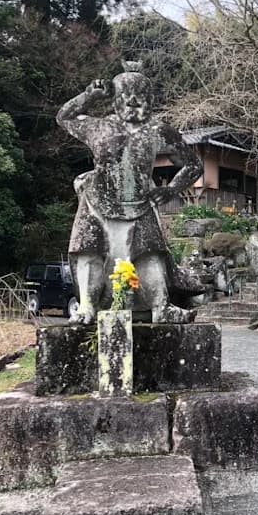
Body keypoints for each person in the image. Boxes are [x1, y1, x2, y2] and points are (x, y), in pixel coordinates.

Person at [57, 62, 203, 324]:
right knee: (89, 252)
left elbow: (194, 165)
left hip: (141, 204)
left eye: (141, 97)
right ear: (116, 99)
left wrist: (170, 189)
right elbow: (64, 117)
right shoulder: (98, 127)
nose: (134, 102)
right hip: (97, 202)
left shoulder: (159, 131)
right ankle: (87, 307)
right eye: (127, 96)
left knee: (150, 254)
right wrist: (89, 96)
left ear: (150, 100)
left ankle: (161, 306)